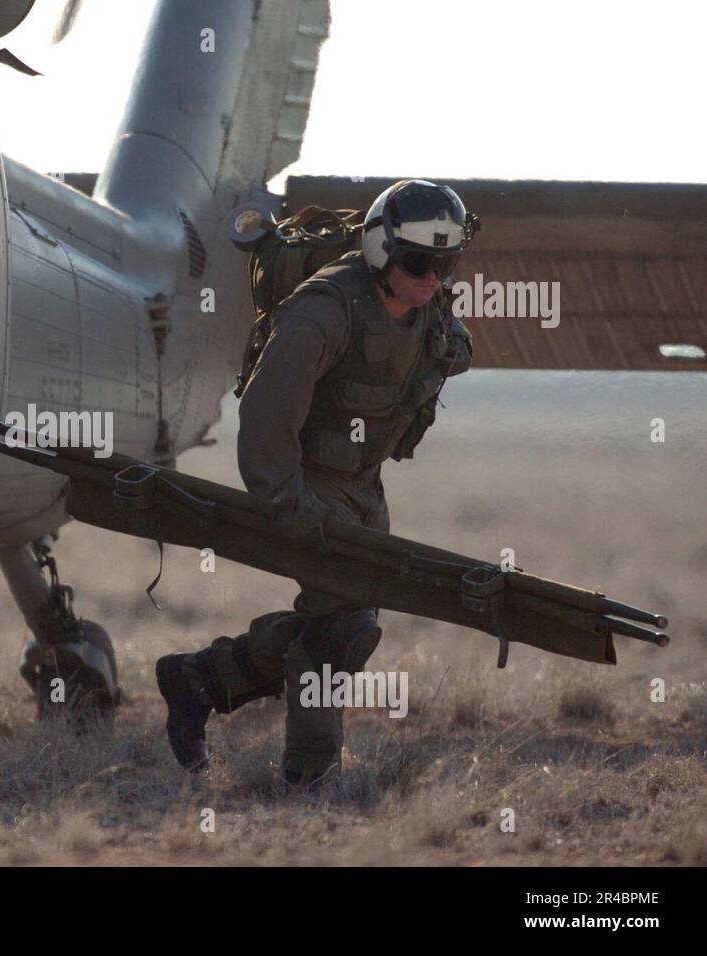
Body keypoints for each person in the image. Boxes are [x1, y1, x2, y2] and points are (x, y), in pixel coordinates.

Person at [156, 180, 478, 787]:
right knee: (342, 632)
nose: (433, 278)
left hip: (363, 485)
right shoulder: (323, 310)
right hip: (309, 483)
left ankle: (198, 680)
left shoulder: (427, 303)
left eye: (446, 262)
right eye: (418, 262)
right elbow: (264, 416)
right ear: (383, 252)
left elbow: (430, 355)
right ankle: (310, 778)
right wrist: (289, 504)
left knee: (341, 627)